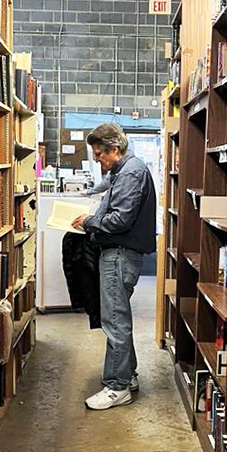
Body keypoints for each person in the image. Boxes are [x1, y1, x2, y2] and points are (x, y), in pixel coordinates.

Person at [71, 123, 156, 411]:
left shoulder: (131, 171)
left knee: (115, 321)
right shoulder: (124, 170)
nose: (97, 159)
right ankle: (127, 375)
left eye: (99, 154)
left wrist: (88, 222)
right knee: (117, 317)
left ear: (114, 150)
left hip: (119, 254)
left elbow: (120, 220)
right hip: (118, 253)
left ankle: (117, 387)